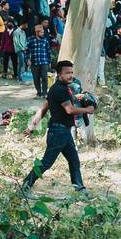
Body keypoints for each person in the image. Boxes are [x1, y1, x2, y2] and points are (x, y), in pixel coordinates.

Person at [20, 60, 95, 196]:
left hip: (63, 132)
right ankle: (26, 184)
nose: (70, 75)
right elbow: (70, 110)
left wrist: (31, 126)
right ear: (59, 74)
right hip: (58, 132)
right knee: (46, 163)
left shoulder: (60, 88)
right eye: (67, 73)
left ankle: (80, 189)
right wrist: (87, 109)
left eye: (71, 72)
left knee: (74, 161)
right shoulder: (59, 90)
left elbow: (43, 109)